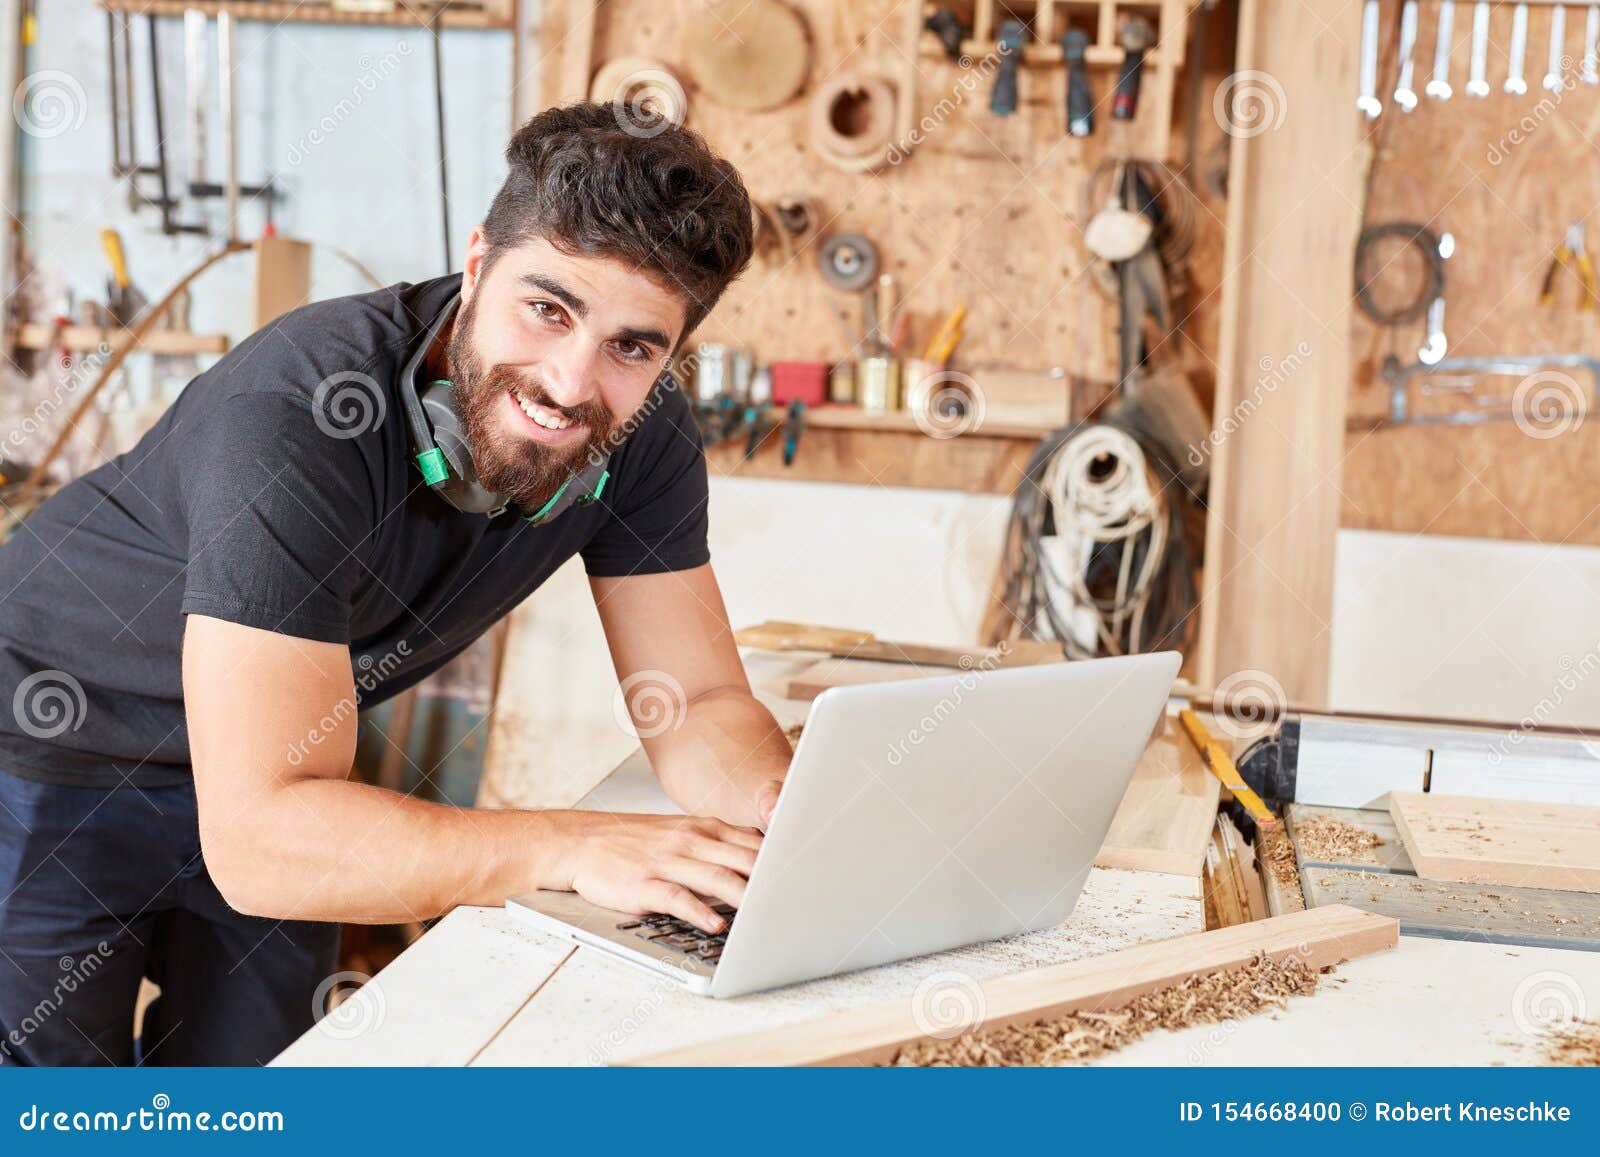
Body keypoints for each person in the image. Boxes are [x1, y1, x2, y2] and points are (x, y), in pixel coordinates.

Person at [0, 102, 792, 1065]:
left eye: (634, 345)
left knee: (263, 1084)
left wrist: (789, 817)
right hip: (50, 746)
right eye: (549, 308)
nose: (571, 382)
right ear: (475, 262)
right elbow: (259, 839)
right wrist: (569, 845)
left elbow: (700, 700)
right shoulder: (298, 415)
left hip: (284, 777)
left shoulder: (642, 432)